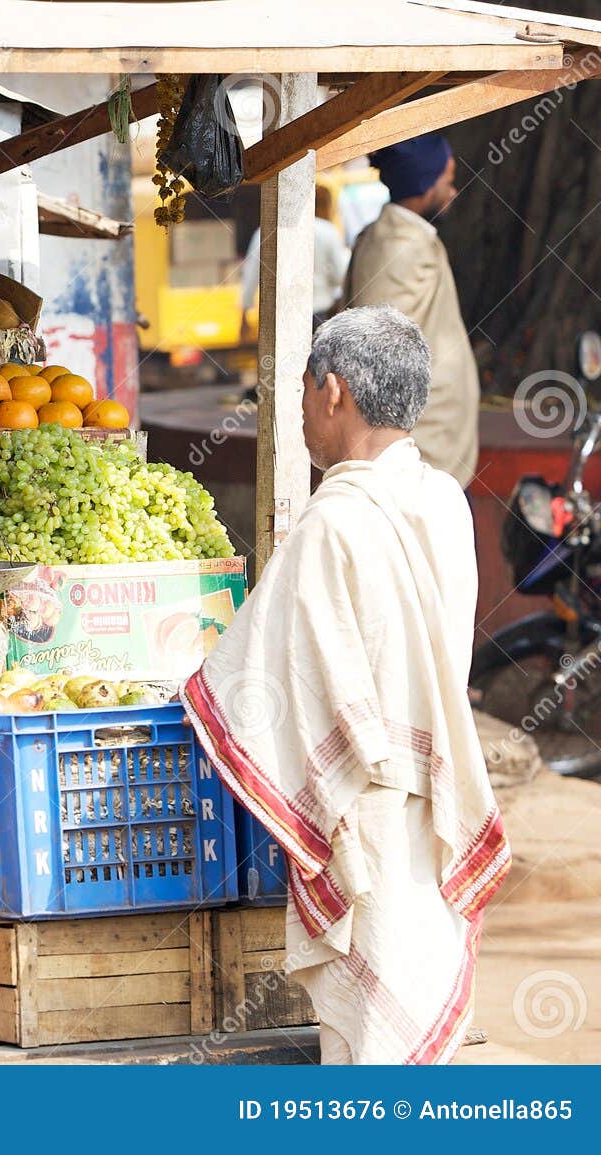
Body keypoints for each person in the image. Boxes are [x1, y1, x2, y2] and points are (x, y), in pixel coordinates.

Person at [182, 306, 509, 1064]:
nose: (297, 409)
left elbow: (262, 677)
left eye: (300, 390)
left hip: (370, 815)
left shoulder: (335, 522)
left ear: (333, 392)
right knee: (412, 1038)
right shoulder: (445, 499)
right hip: (436, 802)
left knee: (369, 1047)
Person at [343, 133, 478, 486]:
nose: (451, 191)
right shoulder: (398, 247)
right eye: (446, 180)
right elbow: (383, 359)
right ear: (424, 184)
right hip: (418, 453)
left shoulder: (400, 237)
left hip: (431, 448)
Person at [238, 184, 350, 329]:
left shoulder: (265, 232)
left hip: (282, 317)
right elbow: (340, 275)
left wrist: (245, 310)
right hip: (319, 314)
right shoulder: (328, 231)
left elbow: (251, 274)